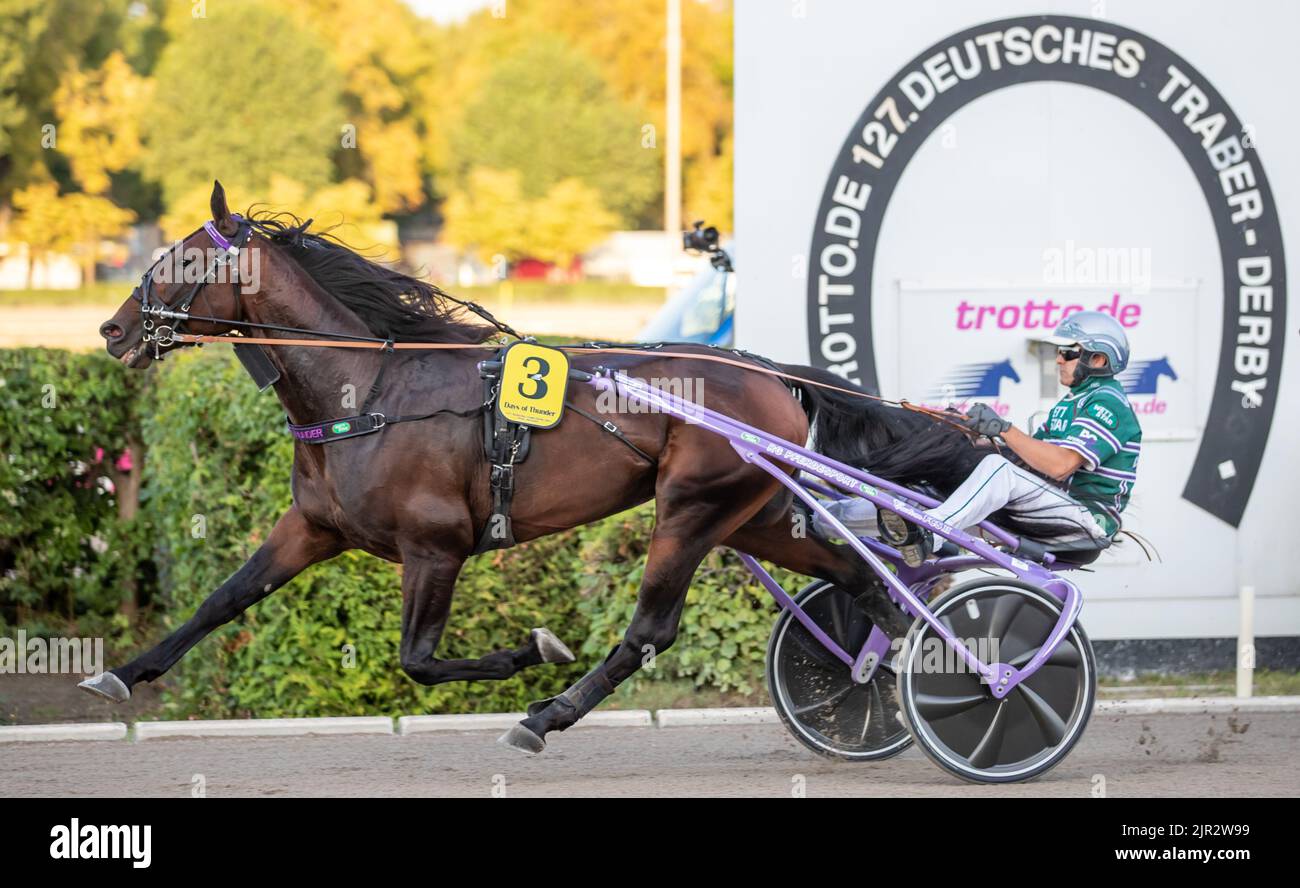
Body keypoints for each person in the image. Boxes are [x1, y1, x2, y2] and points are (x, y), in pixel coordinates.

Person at [819, 310, 1142, 566]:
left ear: (1099, 359)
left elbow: (1059, 466)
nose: (1058, 358)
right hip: (1053, 507)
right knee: (927, 495)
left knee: (996, 472)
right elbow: (1027, 460)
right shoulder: (1073, 402)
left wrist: (1004, 429)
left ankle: (932, 534)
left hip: (1086, 522)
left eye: (1069, 352)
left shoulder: (1108, 402)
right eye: (1059, 350)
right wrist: (968, 432)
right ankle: (820, 520)